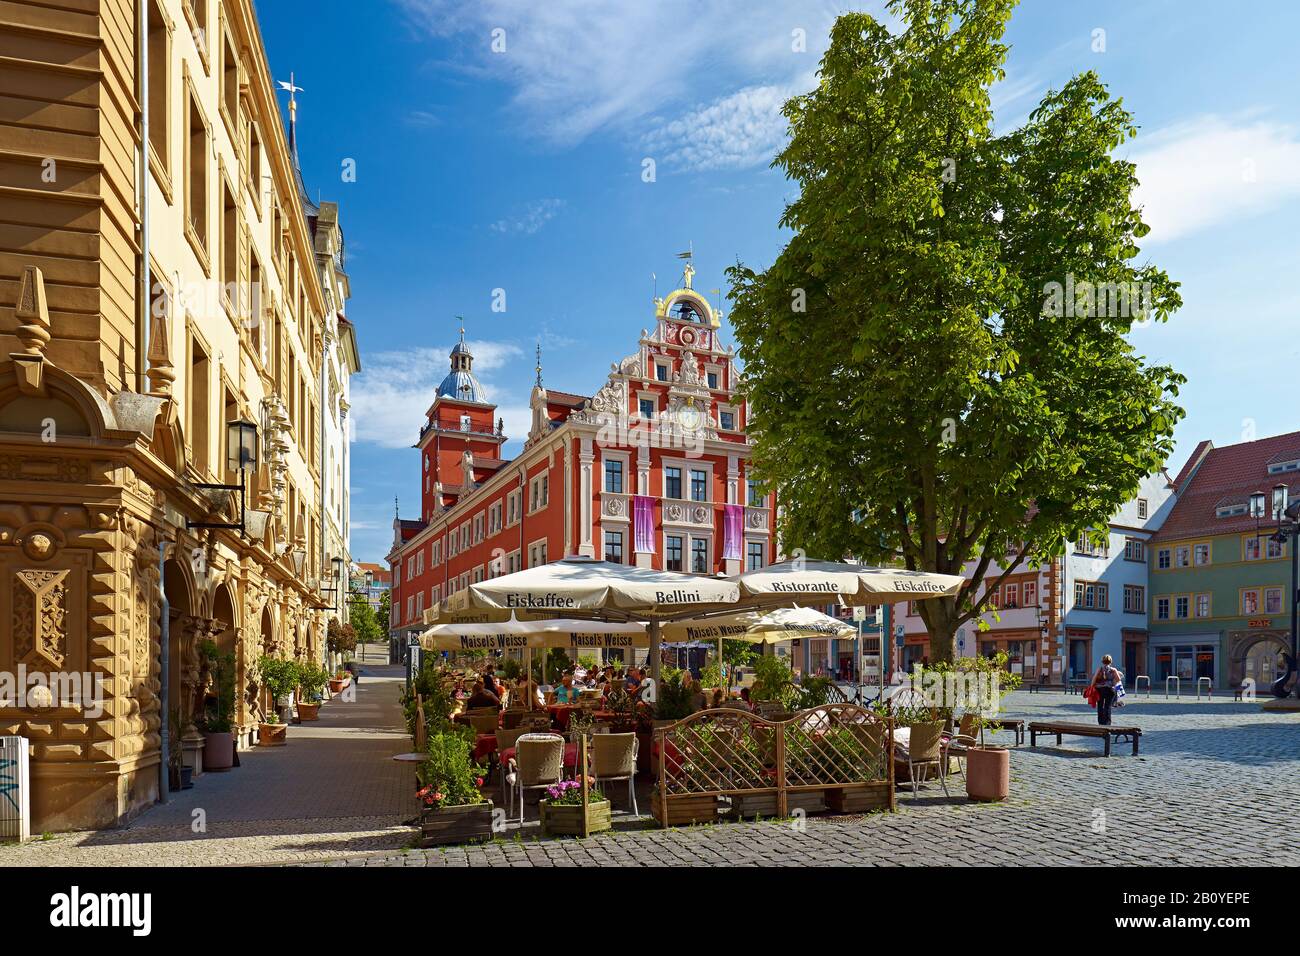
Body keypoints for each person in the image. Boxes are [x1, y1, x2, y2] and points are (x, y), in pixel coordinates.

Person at [1093, 654, 1123, 726]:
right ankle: (1107, 722)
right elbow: (1118, 679)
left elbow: (1094, 678)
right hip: (1109, 689)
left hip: (1099, 689)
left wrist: (1092, 686)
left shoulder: (1099, 669)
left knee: (1100, 705)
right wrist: (1112, 681)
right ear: (1111, 662)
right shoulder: (1113, 670)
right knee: (1107, 706)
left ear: (1102, 661)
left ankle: (1100, 722)